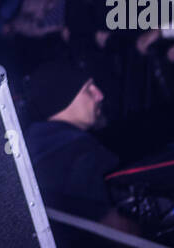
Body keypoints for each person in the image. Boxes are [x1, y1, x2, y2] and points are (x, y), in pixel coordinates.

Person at [23, 61, 136, 233]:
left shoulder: (28, 149)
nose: (100, 95)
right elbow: (115, 231)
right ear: (62, 100)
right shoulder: (81, 151)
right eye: (88, 90)